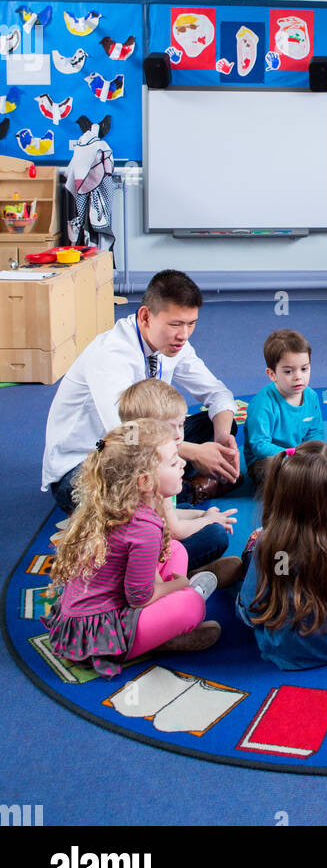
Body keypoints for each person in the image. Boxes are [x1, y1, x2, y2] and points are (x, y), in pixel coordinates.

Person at [42, 269, 240, 514]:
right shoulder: (111, 355)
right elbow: (126, 436)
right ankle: (189, 490)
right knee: (122, 502)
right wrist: (195, 452)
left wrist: (220, 438)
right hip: (92, 460)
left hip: (150, 443)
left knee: (222, 423)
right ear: (145, 316)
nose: (184, 335)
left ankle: (171, 484)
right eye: (175, 324)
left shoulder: (175, 343)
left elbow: (218, 394)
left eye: (191, 324)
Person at [46, 420, 222, 677]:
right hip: (100, 635)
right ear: (145, 481)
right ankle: (170, 627)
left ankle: (168, 617)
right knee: (191, 604)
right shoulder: (143, 527)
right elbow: (140, 598)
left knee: (176, 549)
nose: (184, 464)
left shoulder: (122, 504)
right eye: (174, 462)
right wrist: (179, 584)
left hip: (91, 611)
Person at [236, 442, 327, 671]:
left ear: (279, 496)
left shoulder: (276, 548)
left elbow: (252, 608)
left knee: (255, 577)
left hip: (288, 649)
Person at [116, 379, 241, 581]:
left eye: (181, 425)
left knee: (183, 507)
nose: (178, 435)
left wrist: (201, 515)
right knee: (215, 534)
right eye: (169, 428)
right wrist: (209, 520)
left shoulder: (133, 456)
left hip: (135, 547)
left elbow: (170, 513)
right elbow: (175, 530)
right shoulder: (152, 474)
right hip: (140, 569)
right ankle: (182, 576)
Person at [244, 329, 327, 491]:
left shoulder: (311, 397)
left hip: (301, 456)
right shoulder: (263, 403)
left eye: (304, 369)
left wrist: (313, 452)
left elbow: (316, 433)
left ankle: (317, 479)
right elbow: (259, 445)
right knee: (279, 472)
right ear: (272, 374)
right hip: (269, 461)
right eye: (288, 371)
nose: (298, 377)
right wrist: (293, 453)